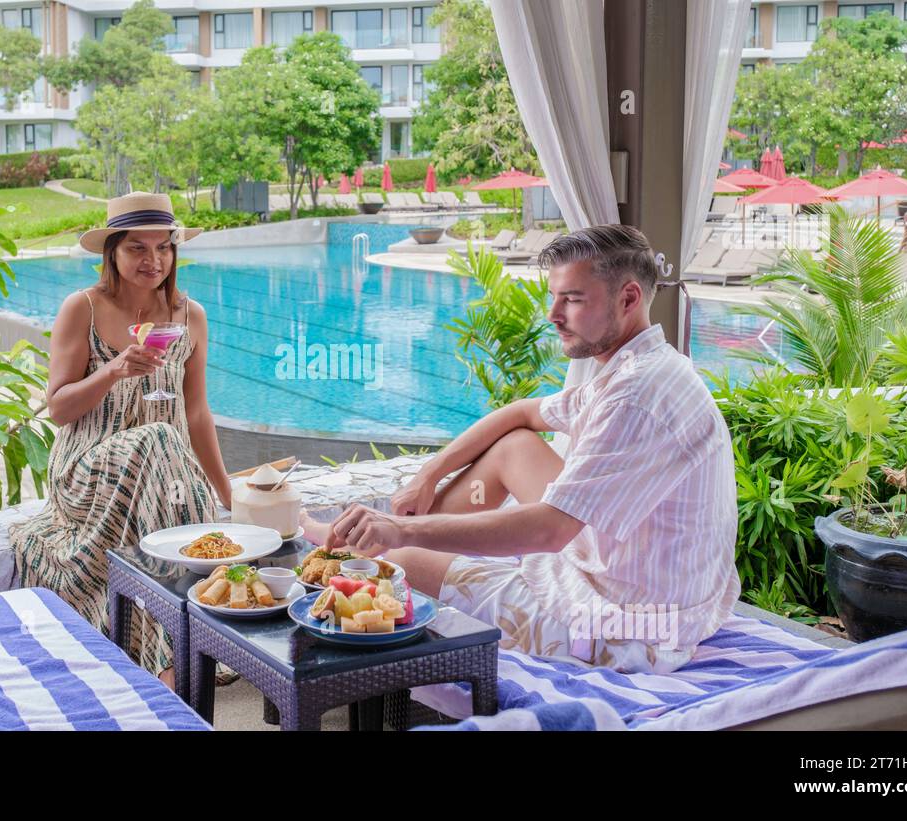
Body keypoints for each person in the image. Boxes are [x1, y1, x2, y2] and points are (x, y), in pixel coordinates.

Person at [304, 225, 740, 673]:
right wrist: (426, 476)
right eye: (554, 297)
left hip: (630, 630)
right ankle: (370, 540)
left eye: (572, 299)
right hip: (639, 575)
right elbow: (521, 414)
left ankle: (358, 550)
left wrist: (401, 531)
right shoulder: (639, 367)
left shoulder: (637, 396)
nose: (553, 314)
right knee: (514, 447)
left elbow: (550, 531)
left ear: (628, 299)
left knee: (401, 562)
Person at [10, 192, 230, 683]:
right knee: (156, 438)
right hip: (87, 468)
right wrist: (112, 370)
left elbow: (195, 414)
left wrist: (226, 492)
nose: (153, 260)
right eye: (137, 248)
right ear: (112, 252)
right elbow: (59, 408)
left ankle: (190, 644)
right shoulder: (82, 308)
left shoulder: (189, 315)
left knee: (166, 450)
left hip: (163, 470)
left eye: (163, 248)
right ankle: (176, 663)